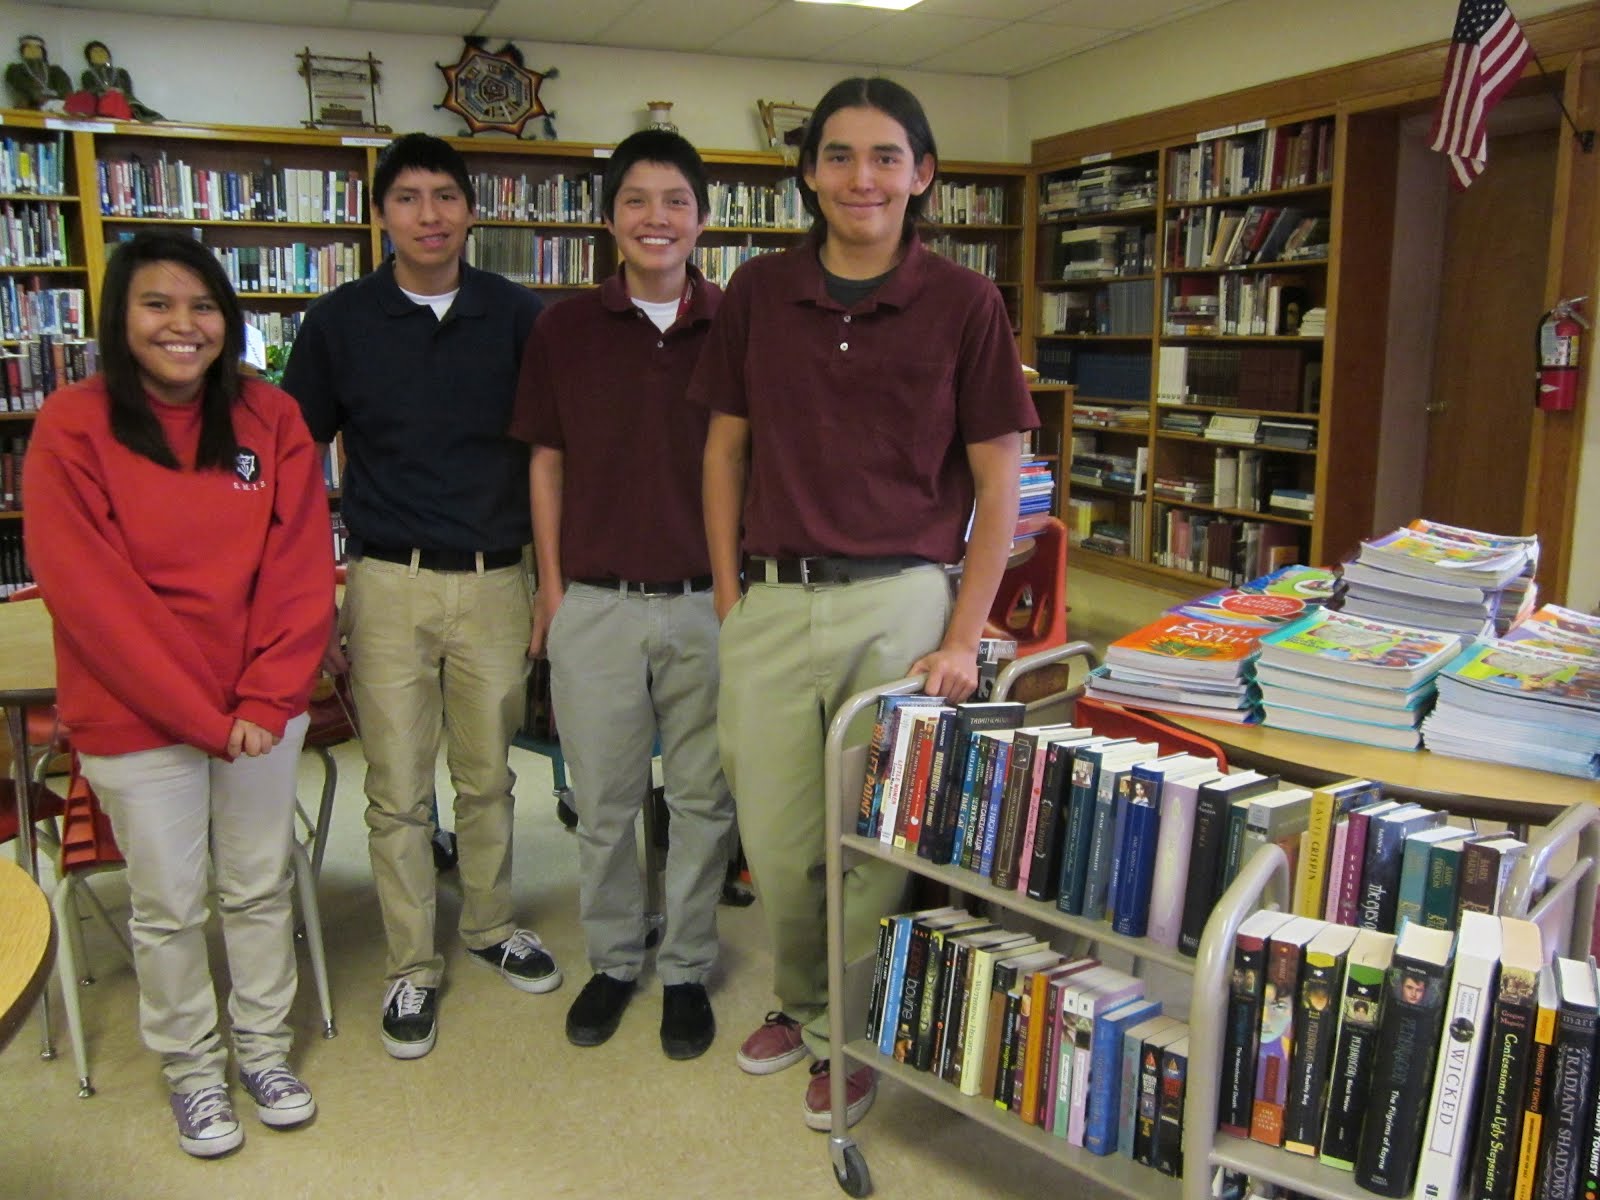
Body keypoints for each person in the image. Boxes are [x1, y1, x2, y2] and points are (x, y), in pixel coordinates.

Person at [690, 76, 1036, 1130]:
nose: (861, 177)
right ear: (807, 173)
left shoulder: (965, 303)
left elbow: (996, 487)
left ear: (923, 175)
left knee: (873, 843)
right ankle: (803, 1001)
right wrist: (725, 596)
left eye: (887, 156)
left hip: (899, 604)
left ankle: (851, 1031)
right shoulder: (757, 290)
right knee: (781, 837)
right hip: (773, 599)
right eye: (837, 155)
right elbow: (724, 451)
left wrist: (964, 636)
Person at [23, 230, 334, 1158]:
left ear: (227, 320)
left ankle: (263, 1049)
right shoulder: (72, 426)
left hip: (258, 712)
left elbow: (300, 566)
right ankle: (193, 1070)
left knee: (257, 886)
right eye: (157, 305)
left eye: (202, 306)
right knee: (166, 903)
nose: (183, 326)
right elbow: (93, 597)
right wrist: (205, 717)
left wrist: (265, 697)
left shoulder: (270, 417)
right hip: (137, 716)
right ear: (121, 319)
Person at [281, 132, 553, 1062]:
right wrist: (311, 592)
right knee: (395, 791)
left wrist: (551, 581)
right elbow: (292, 461)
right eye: (408, 198)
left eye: (446, 196)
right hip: (387, 581)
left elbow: (556, 456)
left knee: (488, 777)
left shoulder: (521, 316)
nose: (429, 215)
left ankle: (489, 922)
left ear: (473, 211)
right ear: (382, 214)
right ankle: (410, 964)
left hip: (495, 581)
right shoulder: (338, 321)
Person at [509, 129, 734, 1060]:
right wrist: (551, 589)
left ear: (702, 218)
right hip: (595, 603)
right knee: (601, 800)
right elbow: (546, 462)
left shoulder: (739, 323)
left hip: (708, 604)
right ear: (609, 220)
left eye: (675, 200)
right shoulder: (562, 327)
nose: (657, 218)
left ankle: (684, 965)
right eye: (637, 200)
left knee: (701, 799)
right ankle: (612, 958)